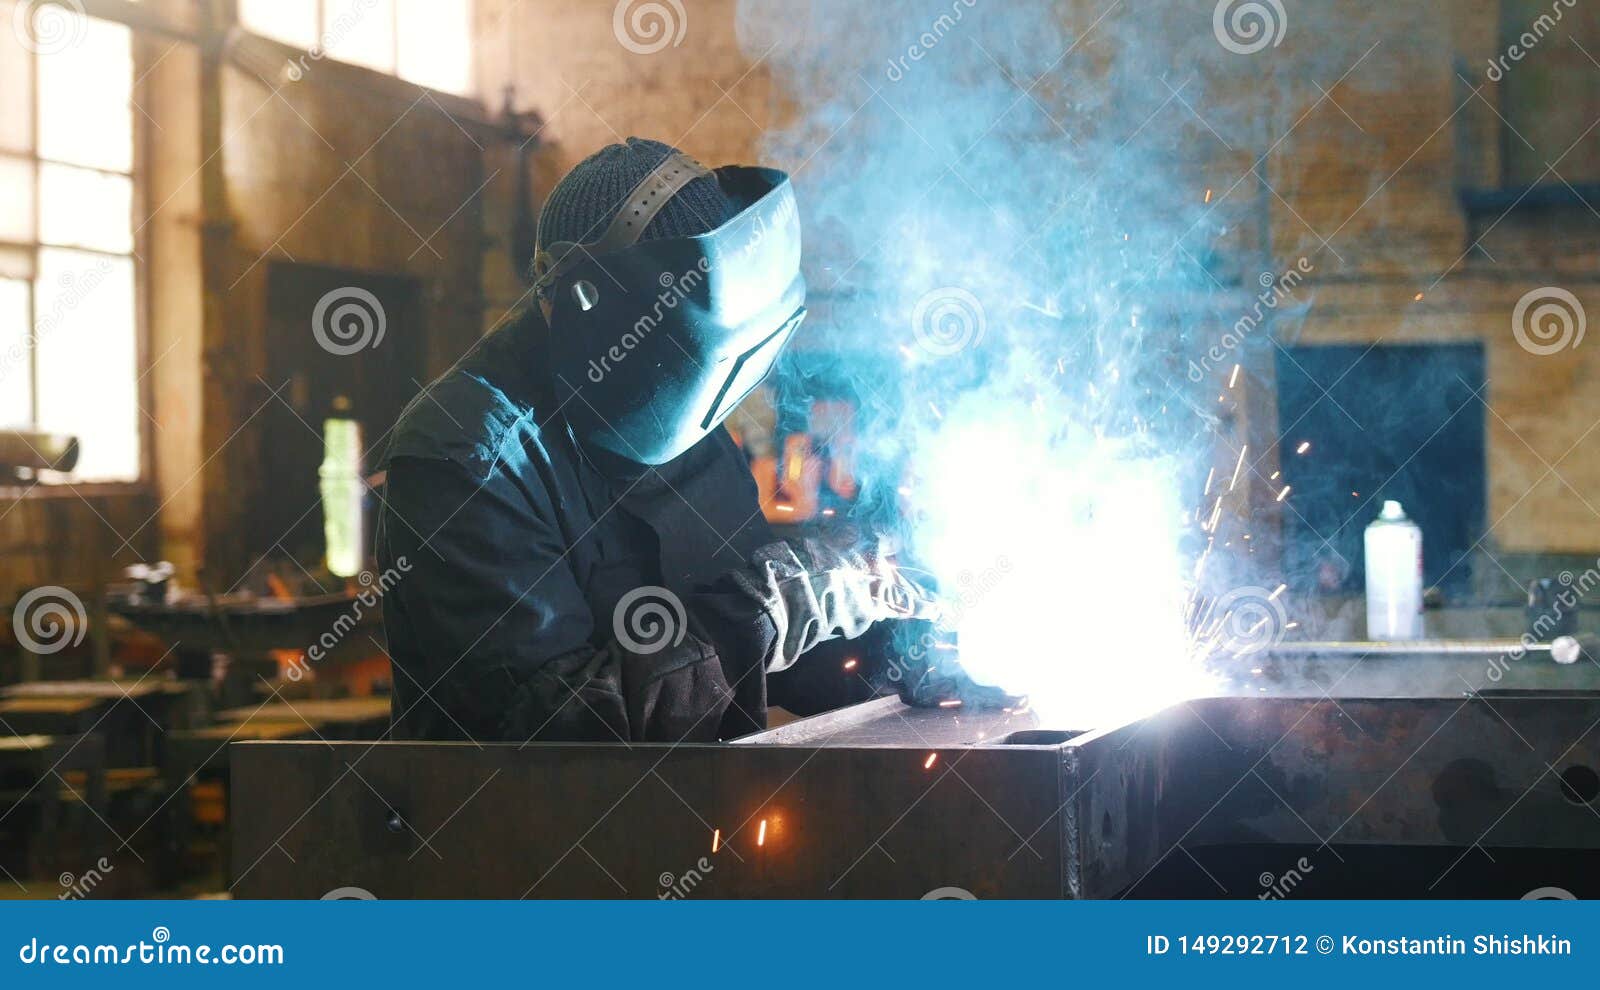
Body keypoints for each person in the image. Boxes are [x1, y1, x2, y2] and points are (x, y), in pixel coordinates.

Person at [376, 138, 956, 743]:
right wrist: (778, 604)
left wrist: (896, 656)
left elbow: (753, 662)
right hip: (533, 833)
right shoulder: (465, 458)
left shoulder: (671, 404)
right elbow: (559, 732)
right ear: (592, 306)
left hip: (700, 822)